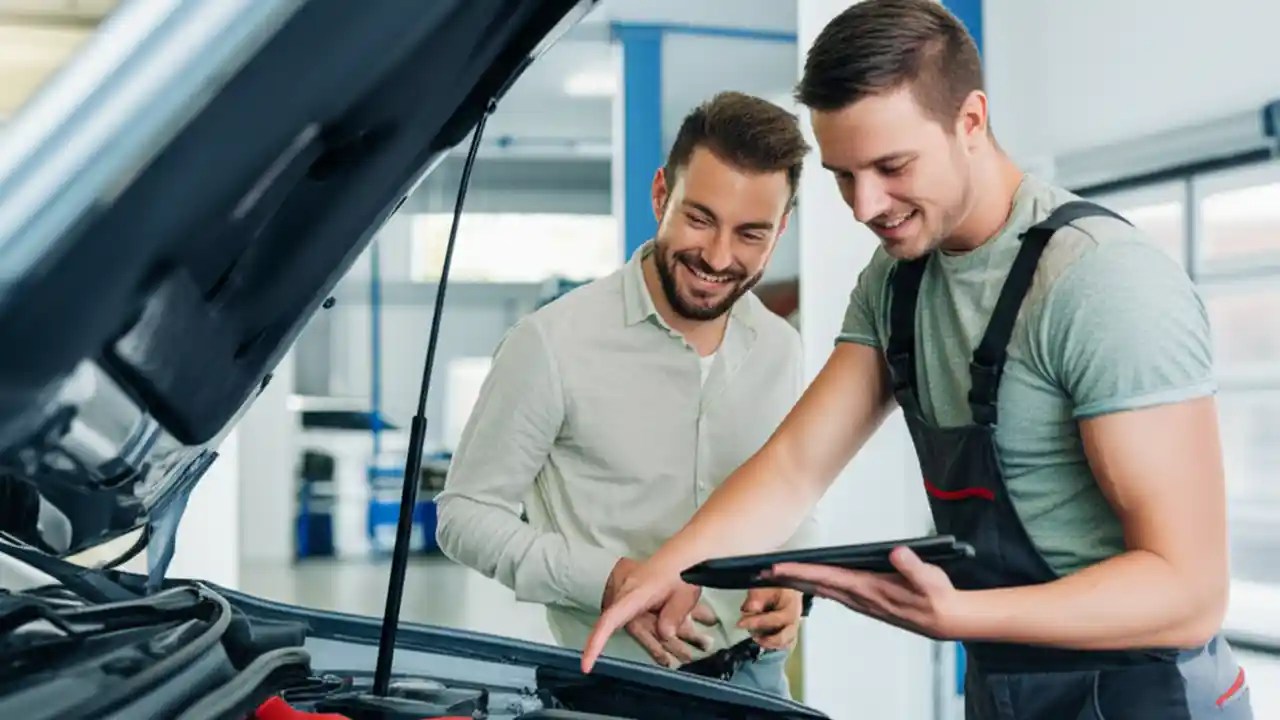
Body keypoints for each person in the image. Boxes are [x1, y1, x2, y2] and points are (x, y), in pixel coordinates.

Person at [580, 2, 1253, 718]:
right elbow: (794, 467)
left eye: (892, 167)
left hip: (1148, 694)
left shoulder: (1100, 283)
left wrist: (962, 618)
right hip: (1005, 688)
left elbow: (1189, 594)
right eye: (843, 175)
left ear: (970, 121)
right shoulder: (898, 281)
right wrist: (666, 568)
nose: (867, 204)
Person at [435, 91, 820, 698]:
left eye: (751, 233)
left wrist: (794, 578)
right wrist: (606, 580)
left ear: (782, 229)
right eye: (699, 219)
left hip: (756, 682)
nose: (719, 257)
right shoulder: (551, 343)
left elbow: (789, 491)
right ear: (661, 195)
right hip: (612, 687)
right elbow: (464, 516)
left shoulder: (780, 348)